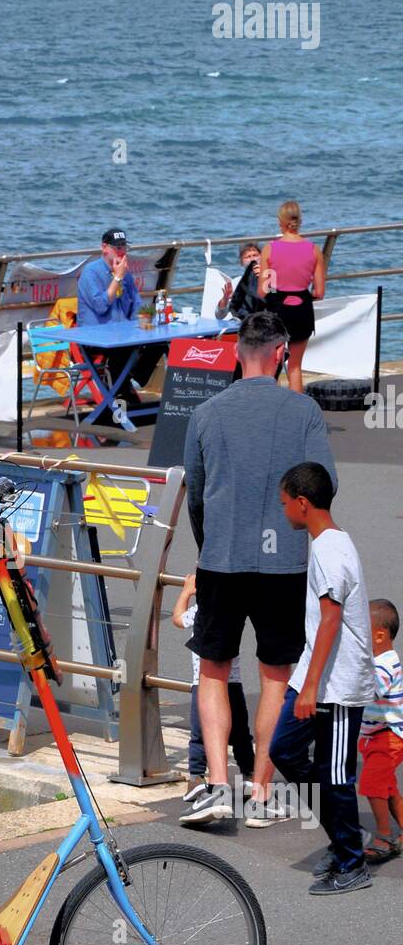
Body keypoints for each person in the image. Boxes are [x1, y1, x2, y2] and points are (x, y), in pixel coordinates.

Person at [180, 311, 337, 826]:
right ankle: (263, 793)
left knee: (212, 670)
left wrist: (209, 549)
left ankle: (217, 784)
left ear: (235, 354)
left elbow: (196, 494)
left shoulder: (205, 413)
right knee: (275, 676)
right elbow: (323, 484)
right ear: (281, 354)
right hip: (283, 564)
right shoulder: (304, 411)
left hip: (221, 557)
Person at [269, 462, 375, 894]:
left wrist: (310, 687)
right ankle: (343, 834)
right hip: (317, 675)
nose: (282, 513)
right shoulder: (327, 543)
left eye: (283, 504)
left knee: (336, 775)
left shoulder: (331, 551)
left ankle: (351, 862)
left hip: (338, 685)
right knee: (284, 750)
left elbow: (331, 621)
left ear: (302, 502)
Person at [173, 571, 254, 806]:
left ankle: (197, 777)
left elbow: (177, 619)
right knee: (240, 733)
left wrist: (186, 592)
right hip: (232, 683)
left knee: (200, 733)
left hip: (204, 684)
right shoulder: (231, 607)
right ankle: (249, 774)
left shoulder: (201, 609)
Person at [76, 227, 163, 409]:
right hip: (95, 337)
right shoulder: (90, 273)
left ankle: (128, 380)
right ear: (104, 248)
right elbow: (100, 306)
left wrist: (147, 322)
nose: (122, 251)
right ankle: (120, 387)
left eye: (124, 247)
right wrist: (117, 278)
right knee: (123, 351)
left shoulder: (126, 275)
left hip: (122, 335)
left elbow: (137, 305)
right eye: (117, 248)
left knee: (160, 342)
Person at [258, 201, 325, 394]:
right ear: (299, 221)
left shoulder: (270, 249)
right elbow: (319, 292)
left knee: (271, 366)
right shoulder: (313, 249)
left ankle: (270, 410)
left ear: (280, 222)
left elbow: (264, 290)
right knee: (295, 367)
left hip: (277, 310)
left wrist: (276, 293)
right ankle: (297, 416)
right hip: (302, 310)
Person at [357, 598, 403, 863]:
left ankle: (384, 836)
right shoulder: (379, 659)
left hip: (388, 738)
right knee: (388, 788)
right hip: (378, 735)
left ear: (379, 635)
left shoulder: (386, 663)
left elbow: (371, 690)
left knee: (373, 786)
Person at [215, 241, 264, 322]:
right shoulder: (236, 283)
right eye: (247, 257)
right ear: (241, 262)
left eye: (255, 255)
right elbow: (219, 315)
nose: (252, 259)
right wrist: (226, 298)